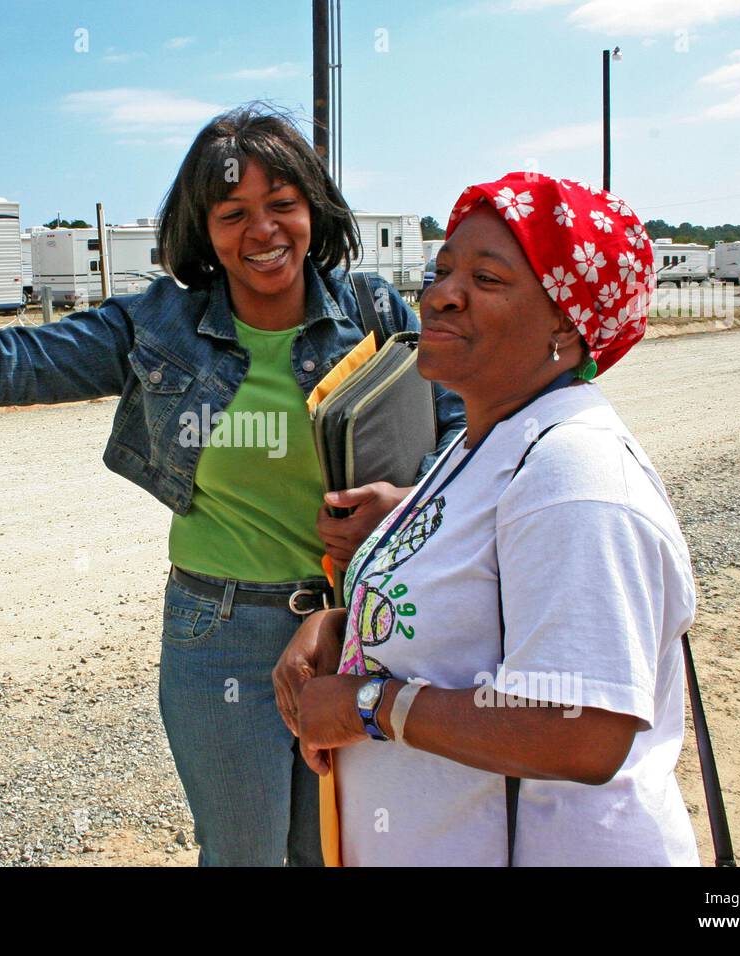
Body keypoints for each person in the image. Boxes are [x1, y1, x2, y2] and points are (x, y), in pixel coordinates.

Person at [0, 105, 465, 867]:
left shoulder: (372, 312)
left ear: (313, 209)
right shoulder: (155, 327)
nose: (262, 231)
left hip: (352, 627)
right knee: (245, 855)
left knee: (339, 849)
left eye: (282, 206)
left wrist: (406, 508)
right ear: (202, 229)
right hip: (218, 634)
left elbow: (463, 436)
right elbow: (14, 362)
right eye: (233, 213)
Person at [274, 171, 701, 866]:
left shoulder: (576, 476)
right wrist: (336, 627)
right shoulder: (484, 444)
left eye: (488, 278)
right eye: (441, 269)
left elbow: (580, 730)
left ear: (565, 320)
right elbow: (468, 610)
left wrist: (367, 705)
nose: (439, 294)